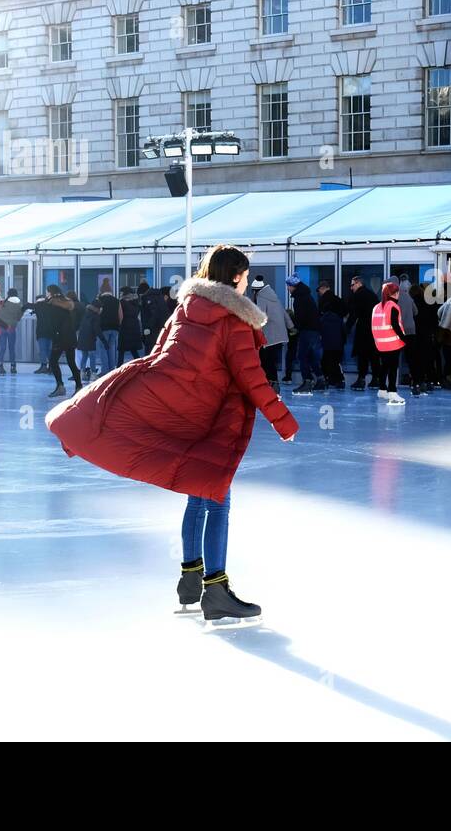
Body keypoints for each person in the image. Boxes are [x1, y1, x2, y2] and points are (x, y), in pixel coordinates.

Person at [47, 244, 299, 623]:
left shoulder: (185, 309)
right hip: (210, 420)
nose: (247, 283)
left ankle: (190, 579)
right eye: (245, 277)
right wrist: (284, 421)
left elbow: (160, 356)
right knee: (217, 498)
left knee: (198, 496)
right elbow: (252, 378)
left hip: (184, 414)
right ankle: (216, 589)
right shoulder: (234, 320)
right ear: (235, 277)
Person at [249, 275, 292, 386]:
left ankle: (271, 383)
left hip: (269, 336)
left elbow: (261, 316)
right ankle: (272, 382)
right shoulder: (273, 296)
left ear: (255, 290)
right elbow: (284, 313)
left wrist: (252, 328)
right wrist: (291, 327)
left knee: (266, 361)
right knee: (271, 360)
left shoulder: (261, 297)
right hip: (279, 336)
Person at [371, 282, 408, 405]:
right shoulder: (393, 306)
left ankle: (382, 389)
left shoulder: (376, 307)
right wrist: (404, 339)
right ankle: (392, 392)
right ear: (395, 293)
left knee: (384, 366)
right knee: (392, 368)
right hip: (392, 343)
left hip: (380, 344)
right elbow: (395, 325)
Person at [286, 275, 321, 395]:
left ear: (293, 286)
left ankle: (307, 381)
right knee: (312, 356)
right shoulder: (306, 295)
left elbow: (301, 317)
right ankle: (320, 379)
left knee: (302, 356)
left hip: (307, 331)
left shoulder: (300, 299)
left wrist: (295, 328)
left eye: (289, 286)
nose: (288, 288)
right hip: (314, 330)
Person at [348, 275, 381, 391]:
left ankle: (361, 379)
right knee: (374, 355)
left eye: (352, 285)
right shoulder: (372, 295)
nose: (351, 288)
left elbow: (354, 314)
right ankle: (376, 379)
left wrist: (347, 328)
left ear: (358, 284)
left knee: (362, 355)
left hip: (363, 329)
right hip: (374, 329)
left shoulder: (358, 296)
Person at [318, 281, 346, 390]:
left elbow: (319, 329)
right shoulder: (338, 318)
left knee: (325, 360)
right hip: (338, 343)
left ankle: (327, 379)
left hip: (326, 343)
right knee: (336, 361)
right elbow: (343, 331)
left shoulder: (323, 318)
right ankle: (339, 380)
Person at [411, 282, 438, 392]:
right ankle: (430, 381)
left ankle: (419, 381)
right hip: (427, 334)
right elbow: (434, 319)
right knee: (428, 359)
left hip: (416, 334)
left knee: (417, 359)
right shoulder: (429, 303)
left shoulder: (413, 302)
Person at [394, 276, 419, 392]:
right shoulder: (409, 297)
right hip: (411, 330)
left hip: (399, 331)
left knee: (394, 357)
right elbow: (416, 312)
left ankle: (393, 382)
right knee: (412, 358)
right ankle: (415, 381)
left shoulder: (394, 298)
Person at [95, 280, 121, 374]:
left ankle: (105, 371)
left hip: (103, 328)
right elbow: (120, 315)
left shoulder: (100, 300)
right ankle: (111, 370)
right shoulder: (116, 300)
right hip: (114, 328)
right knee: (112, 348)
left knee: (103, 348)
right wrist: (118, 325)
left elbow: (97, 313)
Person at [0, 288, 24, 375]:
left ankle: (0, 365)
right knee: (11, 348)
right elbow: (19, 317)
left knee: (3, 347)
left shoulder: (3, 303)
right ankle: (13, 366)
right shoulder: (19, 304)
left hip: (2, 328)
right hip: (11, 328)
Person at [138, 281, 170, 355]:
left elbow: (151, 315)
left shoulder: (146, 298)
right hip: (162, 328)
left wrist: (147, 328)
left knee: (150, 353)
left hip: (151, 331)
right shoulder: (159, 296)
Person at [117, 286, 144, 365]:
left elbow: (120, 315)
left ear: (125, 293)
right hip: (135, 327)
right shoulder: (136, 302)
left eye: (121, 292)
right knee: (134, 349)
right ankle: (140, 365)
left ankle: (119, 366)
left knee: (121, 350)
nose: (120, 293)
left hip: (125, 327)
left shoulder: (121, 302)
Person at [77, 298, 102, 382]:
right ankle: (93, 374)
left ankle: (82, 373)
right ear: (97, 308)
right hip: (90, 339)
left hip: (82, 338)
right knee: (92, 357)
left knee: (84, 356)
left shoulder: (86, 313)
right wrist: (104, 340)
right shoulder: (95, 316)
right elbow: (96, 329)